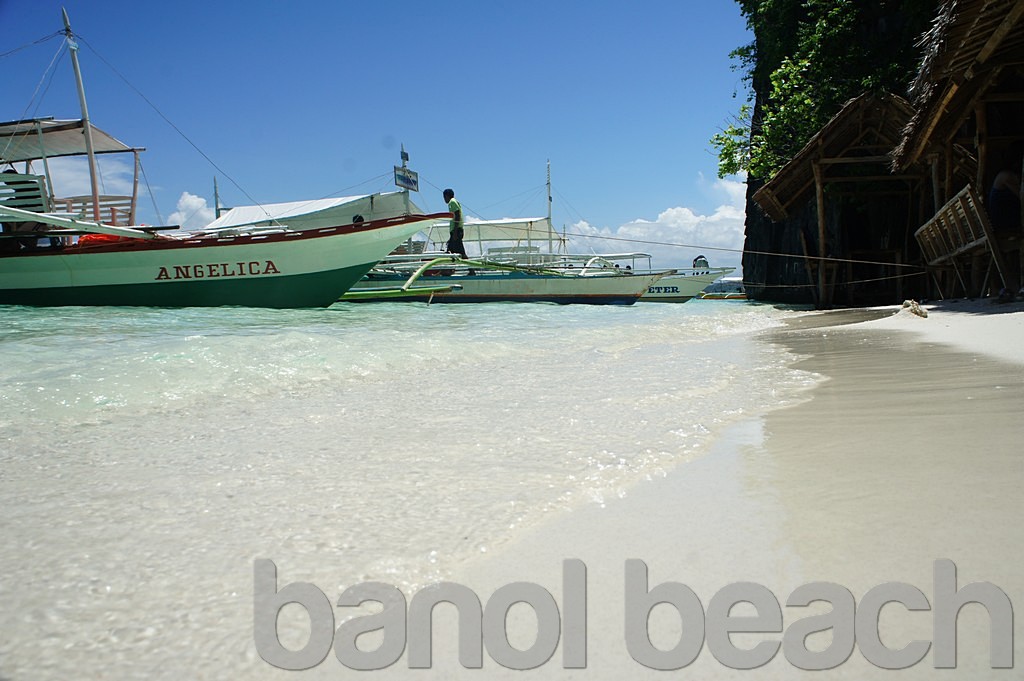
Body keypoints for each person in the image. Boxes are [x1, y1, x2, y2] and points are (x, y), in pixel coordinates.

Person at [443, 188, 467, 258]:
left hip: (456, 230)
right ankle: (450, 268)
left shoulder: (452, 202)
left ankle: (471, 268)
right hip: (455, 231)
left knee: (461, 252)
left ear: (446, 196)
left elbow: (457, 215)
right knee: (450, 251)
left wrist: (455, 232)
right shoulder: (454, 202)